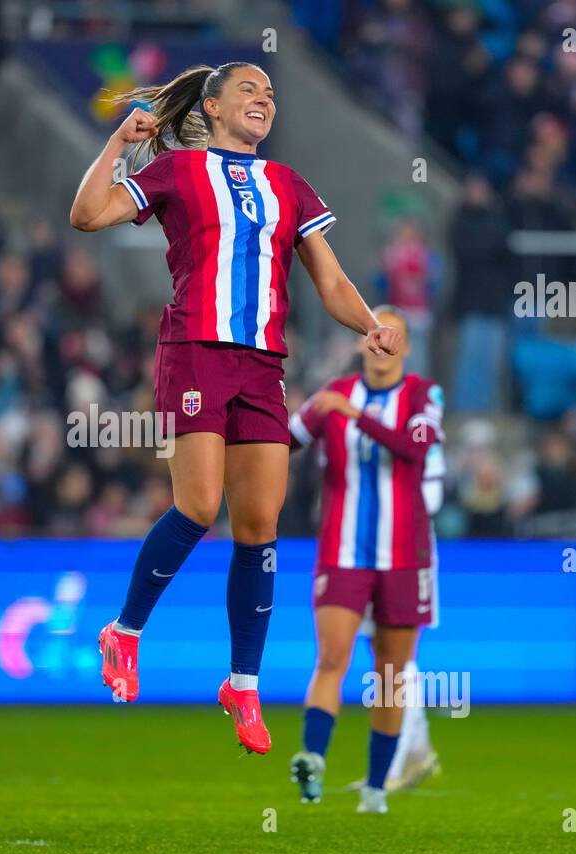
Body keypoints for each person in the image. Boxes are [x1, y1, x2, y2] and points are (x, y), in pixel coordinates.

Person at [69, 61, 401, 754]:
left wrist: (368, 322)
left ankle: (242, 684)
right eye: (249, 89)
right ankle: (124, 632)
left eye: (271, 92)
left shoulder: (289, 184)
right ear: (213, 107)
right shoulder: (178, 170)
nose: (264, 99)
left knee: (259, 526)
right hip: (195, 348)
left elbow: (331, 280)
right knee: (198, 506)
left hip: (262, 363)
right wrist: (118, 145)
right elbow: (88, 215)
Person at [285, 307, 442, 813]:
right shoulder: (333, 394)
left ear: (406, 347)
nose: (381, 341)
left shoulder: (422, 395)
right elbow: (283, 440)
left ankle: (376, 788)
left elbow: (414, 449)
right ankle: (313, 759)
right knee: (332, 657)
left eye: (391, 333)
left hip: (403, 555)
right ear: (361, 342)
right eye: (374, 331)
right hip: (343, 551)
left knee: (392, 671)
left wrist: (353, 417)